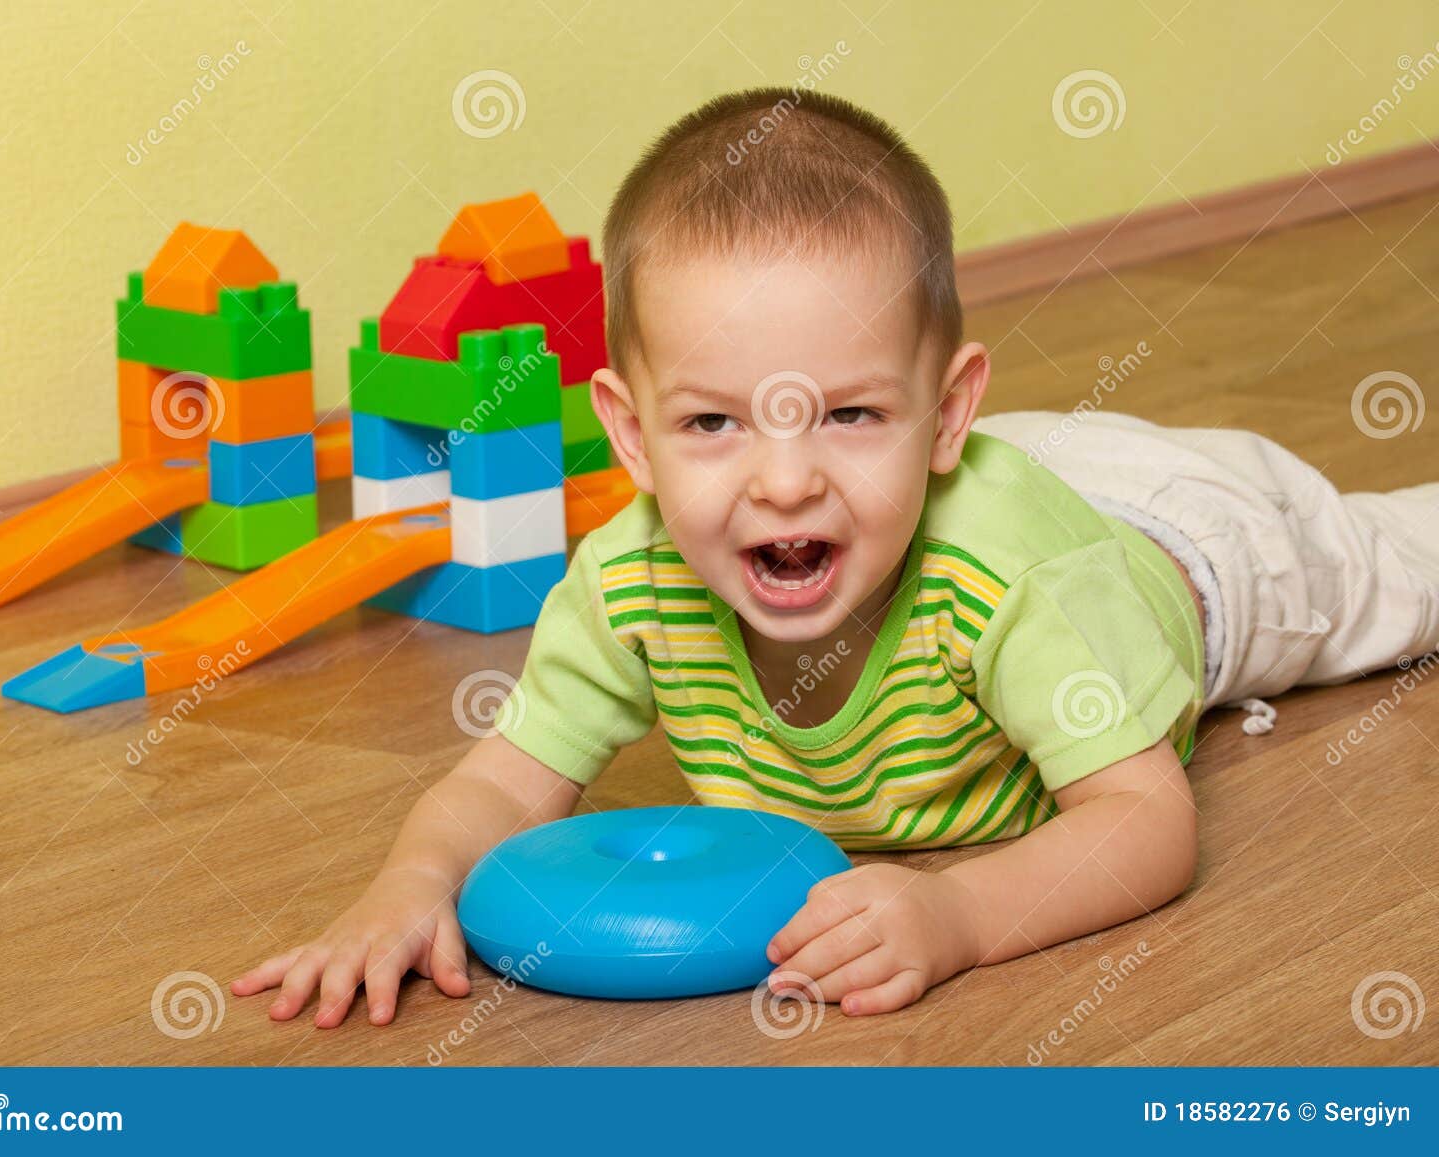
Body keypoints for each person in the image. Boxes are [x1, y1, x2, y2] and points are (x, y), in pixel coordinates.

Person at [233, 87, 1439, 1024]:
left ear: (943, 411)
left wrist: (960, 911)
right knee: (890, 491)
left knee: (1405, 572)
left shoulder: (1018, 587)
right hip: (936, 495)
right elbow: (501, 783)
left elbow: (1142, 820)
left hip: (1200, 548)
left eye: (845, 411)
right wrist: (409, 881)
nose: (783, 478)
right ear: (629, 432)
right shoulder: (629, 582)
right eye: (712, 423)